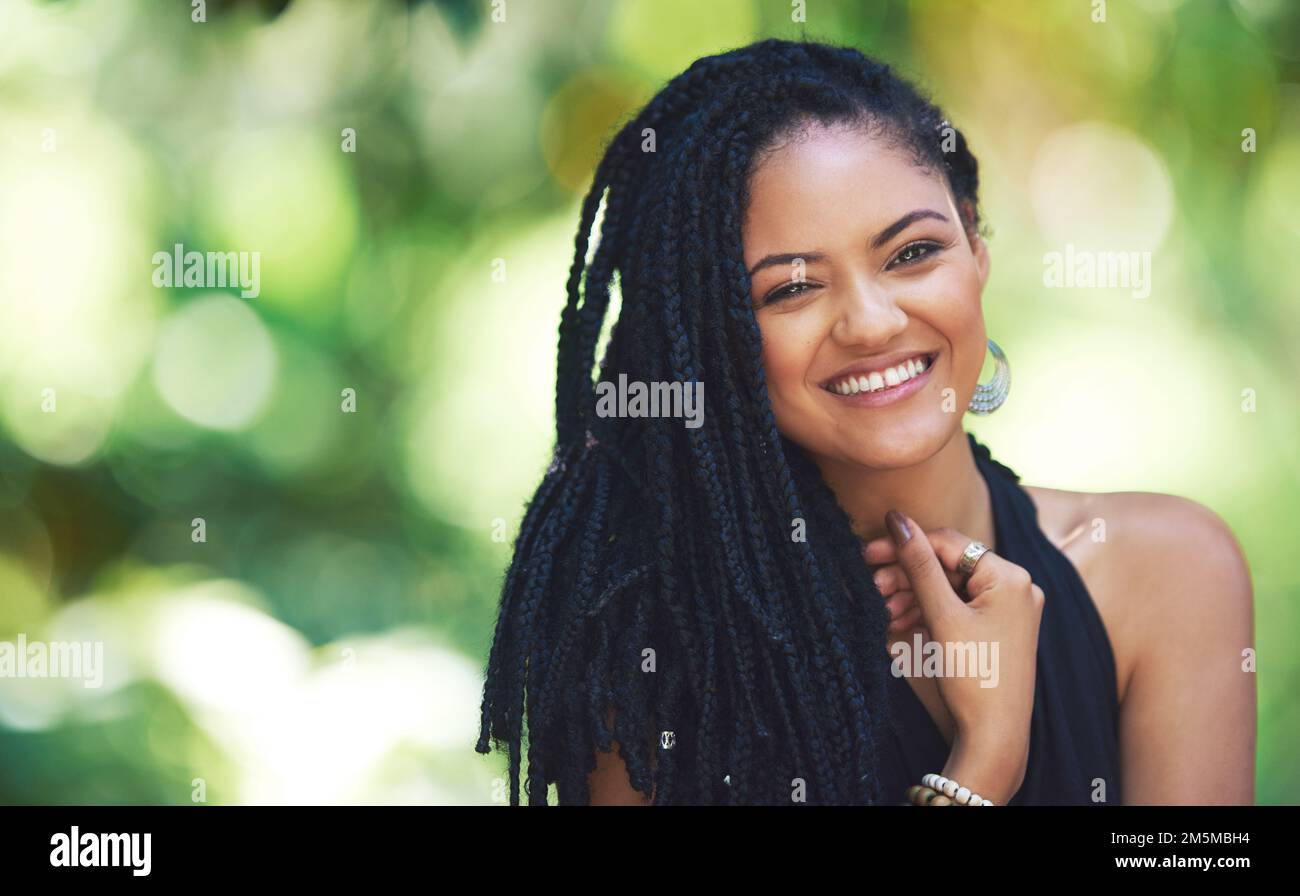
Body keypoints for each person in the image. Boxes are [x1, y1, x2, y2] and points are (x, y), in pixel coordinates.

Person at [475, 38, 1255, 806]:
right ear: (713, 343)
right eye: (790, 290)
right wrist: (981, 767)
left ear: (976, 250)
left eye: (912, 252)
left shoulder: (1169, 574)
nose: (872, 322)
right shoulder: (655, 657)